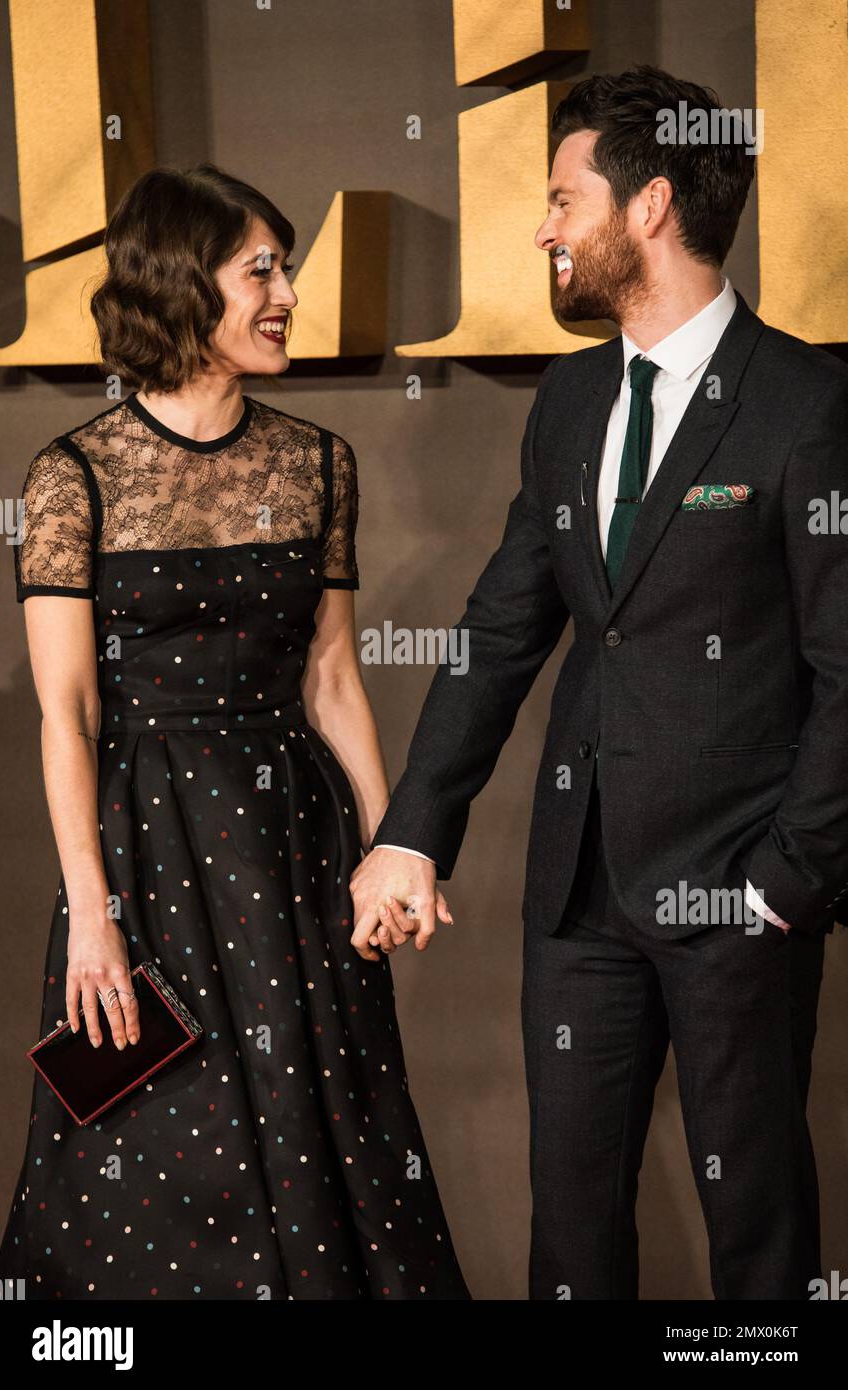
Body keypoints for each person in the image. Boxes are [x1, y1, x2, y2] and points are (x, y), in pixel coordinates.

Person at [351, 66, 848, 1300]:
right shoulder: (570, 401)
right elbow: (499, 632)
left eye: (561, 198)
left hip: (737, 895)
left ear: (649, 207)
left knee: (759, 1239)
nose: (541, 228)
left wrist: (786, 881)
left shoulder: (806, 402)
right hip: (577, 899)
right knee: (569, 1239)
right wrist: (413, 833)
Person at [0, 163, 470, 1301]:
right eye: (260, 267)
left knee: (335, 1126)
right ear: (178, 283)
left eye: (285, 267)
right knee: (148, 1158)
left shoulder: (314, 463)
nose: (287, 292)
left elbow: (332, 677)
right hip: (142, 858)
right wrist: (93, 923)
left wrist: (387, 849)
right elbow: (66, 713)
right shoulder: (75, 478)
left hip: (291, 845)